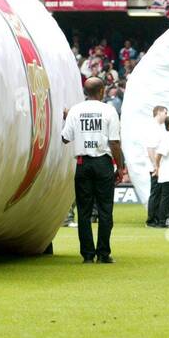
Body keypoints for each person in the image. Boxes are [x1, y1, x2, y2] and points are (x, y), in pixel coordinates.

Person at [61, 75, 123, 263]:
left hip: (83, 163)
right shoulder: (109, 110)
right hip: (103, 162)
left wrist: (68, 116)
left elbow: (65, 138)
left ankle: (87, 255)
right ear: (102, 91)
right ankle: (103, 253)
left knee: (84, 211)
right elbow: (114, 142)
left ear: (85, 92)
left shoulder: (75, 111)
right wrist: (119, 167)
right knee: (105, 210)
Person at [143, 104, 168, 227]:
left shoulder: (158, 127)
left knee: (158, 192)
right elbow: (150, 149)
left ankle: (156, 218)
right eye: (165, 113)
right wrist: (155, 166)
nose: (166, 116)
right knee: (156, 193)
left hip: (158, 165)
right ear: (159, 112)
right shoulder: (153, 127)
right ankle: (151, 219)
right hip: (155, 166)